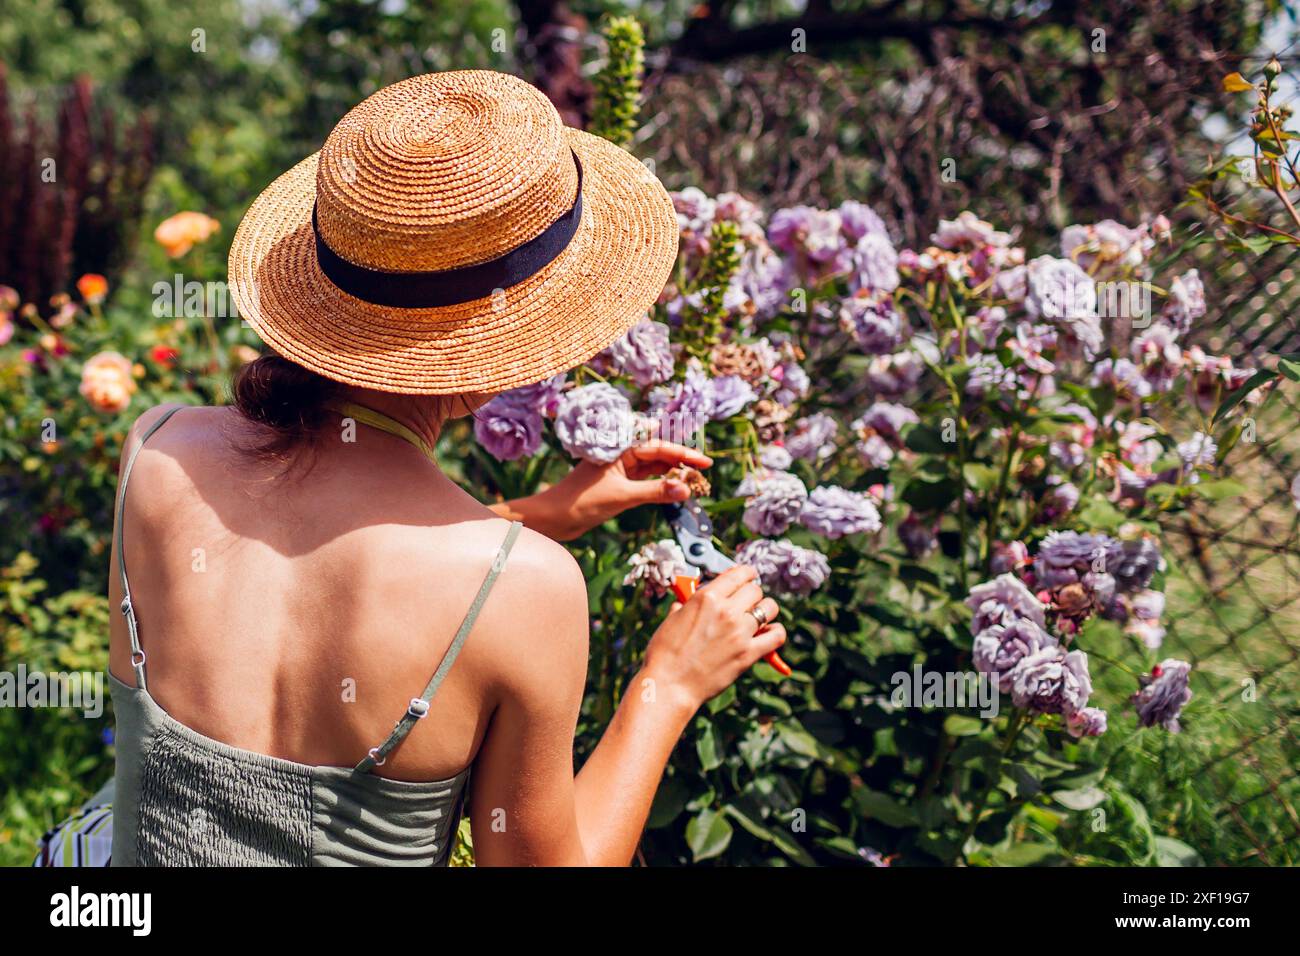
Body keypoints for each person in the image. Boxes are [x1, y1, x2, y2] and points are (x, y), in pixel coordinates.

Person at [100, 69, 784, 867]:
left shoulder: (158, 450)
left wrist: (543, 515)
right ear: (506, 342)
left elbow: (307, 571)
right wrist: (670, 683)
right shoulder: (526, 591)